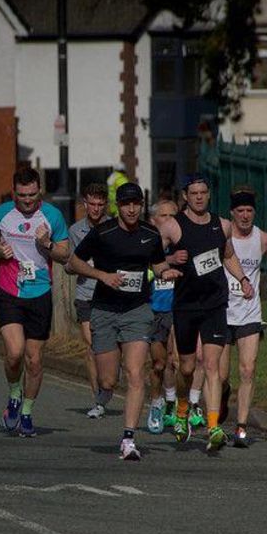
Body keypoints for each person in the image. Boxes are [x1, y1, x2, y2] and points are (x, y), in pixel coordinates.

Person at [68, 183, 181, 460]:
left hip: (137, 310)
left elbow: (156, 266)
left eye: (137, 204)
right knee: (108, 380)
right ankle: (105, 388)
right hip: (105, 310)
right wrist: (102, 276)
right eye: (127, 204)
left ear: (142, 205)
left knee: (136, 373)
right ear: (117, 205)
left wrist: (167, 271)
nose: (132, 209)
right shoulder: (103, 233)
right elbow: (73, 263)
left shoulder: (149, 233)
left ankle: (128, 438)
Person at [157, 174, 253, 451]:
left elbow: (229, 256)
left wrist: (243, 280)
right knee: (186, 367)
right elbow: (153, 260)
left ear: (209, 195)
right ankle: (182, 408)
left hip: (214, 304)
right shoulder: (173, 226)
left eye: (203, 193)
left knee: (212, 366)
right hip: (186, 305)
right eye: (194, 193)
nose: (199, 197)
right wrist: (170, 262)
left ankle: (213, 426)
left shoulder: (222, 225)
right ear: (185, 196)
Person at [0, 167, 70, 437]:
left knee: (34, 360)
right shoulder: (2, 213)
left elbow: (65, 254)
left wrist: (46, 245)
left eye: (32, 195)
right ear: (14, 193)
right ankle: (14, 394)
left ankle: (28, 412)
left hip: (40, 293)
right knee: (15, 353)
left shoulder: (53, 216)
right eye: (22, 196)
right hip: (9, 291)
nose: (27, 200)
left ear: (39, 191)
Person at [217, 186, 267, 447]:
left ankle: (241, 427)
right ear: (232, 213)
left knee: (248, 369)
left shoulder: (263, 238)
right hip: (223, 311)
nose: (245, 216)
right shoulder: (223, 236)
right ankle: (221, 397)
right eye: (240, 211)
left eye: (249, 211)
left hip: (249, 313)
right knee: (222, 376)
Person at [65, 183, 110, 418]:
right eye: (92, 204)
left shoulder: (114, 227)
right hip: (86, 295)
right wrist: (81, 266)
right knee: (92, 347)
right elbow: (69, 265)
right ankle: (98, 398)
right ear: (85, 204)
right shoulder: (75, 231)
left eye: (100, 204)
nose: (95, 208)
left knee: (109, 349)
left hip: (111, 294)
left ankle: (108, 384)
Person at [146, 200, 180, 433]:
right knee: (158, 363)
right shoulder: (145, 244)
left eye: (173, 216)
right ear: (153, 220)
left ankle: (171, 403)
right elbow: (143, 271)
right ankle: (156, 402)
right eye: (164, 216)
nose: (168, 220)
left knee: (174, 360)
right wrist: (167, 262)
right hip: (152, 310)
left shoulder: (182, 245)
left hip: (177, 309)